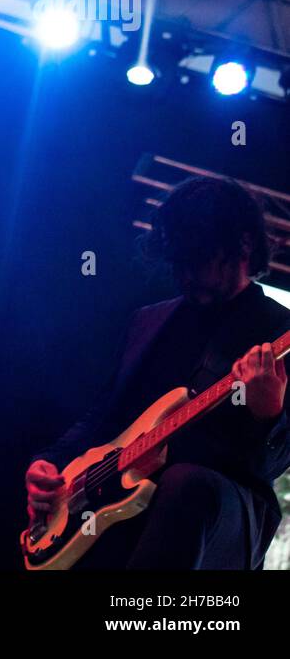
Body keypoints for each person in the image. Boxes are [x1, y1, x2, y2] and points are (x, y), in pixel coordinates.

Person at [25, 176, 290, 568]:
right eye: (177, 260)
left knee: (185, 484)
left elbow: (273, 465)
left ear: (244, 244)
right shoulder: (149, 322)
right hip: (122, 495)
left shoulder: (278, 333)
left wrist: (268, 412)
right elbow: (101, 418)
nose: (184, 274)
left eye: (197, 258)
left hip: (222, 508)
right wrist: (49, 464)